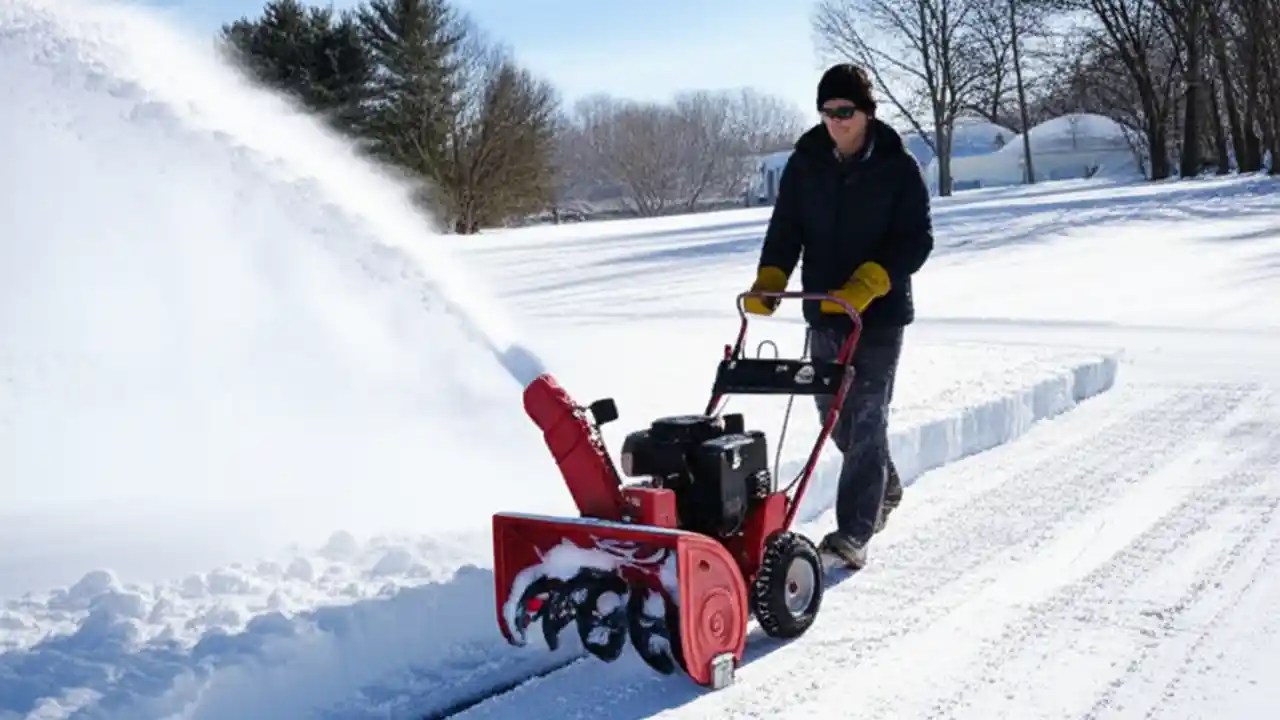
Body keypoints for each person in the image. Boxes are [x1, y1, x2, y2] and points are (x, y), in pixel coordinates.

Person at [743, 63, 934, 571]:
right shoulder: (806, 164)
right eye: (827, 112)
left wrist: (873, 280)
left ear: (866, 112)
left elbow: (917, 239)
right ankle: (884, 487)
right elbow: (786, 227)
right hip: (825, 310)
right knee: (836, 419)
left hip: (879, 315)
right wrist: (772, 277)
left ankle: (854, 533)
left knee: (868, 416)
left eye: (844, 111)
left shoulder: (898, 165)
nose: (835, 121)